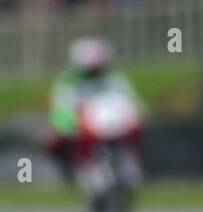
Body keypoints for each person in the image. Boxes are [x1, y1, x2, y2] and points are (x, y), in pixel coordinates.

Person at [45, 38, 143, 182]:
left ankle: (130, 164)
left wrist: (135, 115)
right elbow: (61, 109)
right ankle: (72, 169)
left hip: (110, 123)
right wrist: (67, 122)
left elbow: (131, 102)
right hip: (83, 125)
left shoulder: (114, 80)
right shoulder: (68, 82)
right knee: (55, 138)